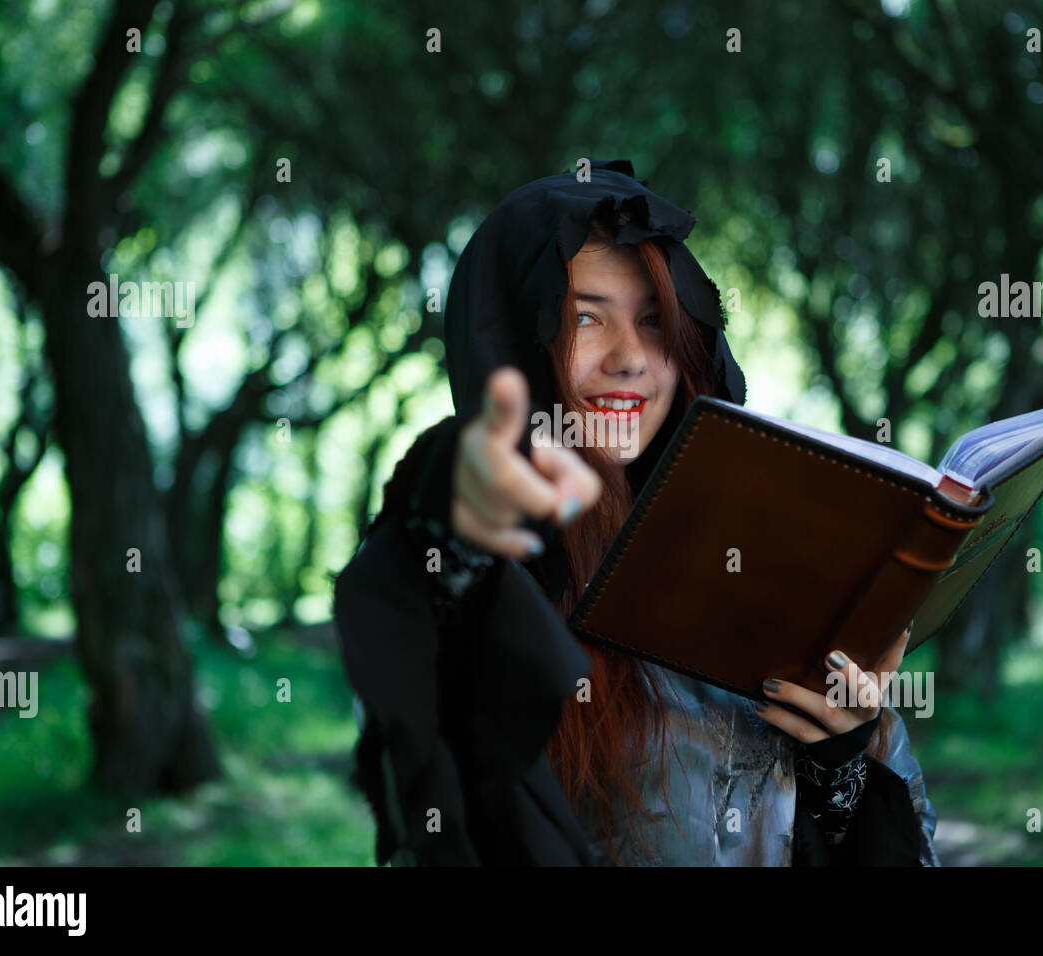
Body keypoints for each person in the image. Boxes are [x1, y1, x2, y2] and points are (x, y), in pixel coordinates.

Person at [333, 158, 941, 866]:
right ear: (512, 344)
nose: (632, 359)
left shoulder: (754, 565)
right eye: (585, 317)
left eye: (656, 323)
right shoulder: (460, 570)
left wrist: (842, 764)